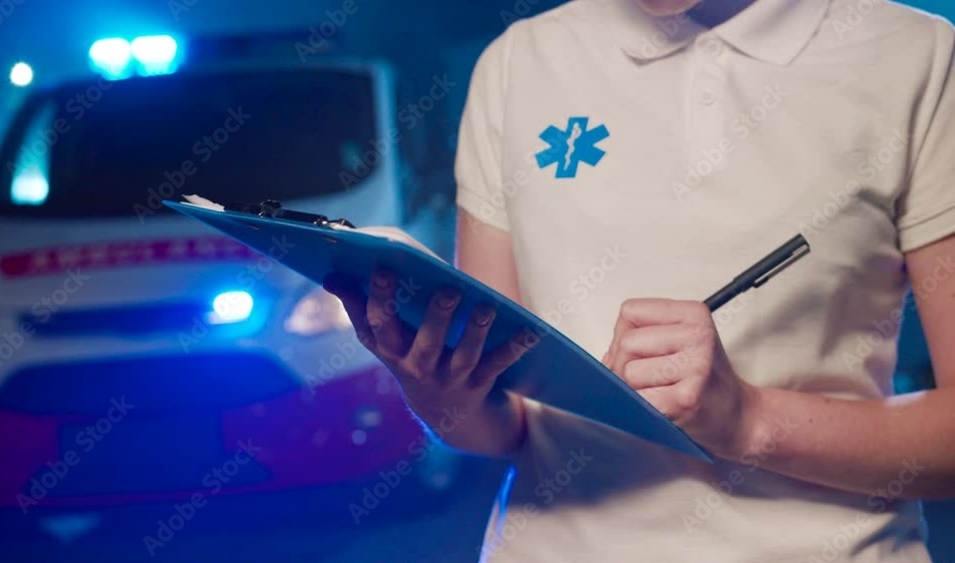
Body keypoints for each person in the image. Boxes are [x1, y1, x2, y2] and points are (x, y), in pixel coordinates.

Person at [323, 0, 955, 560]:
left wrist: (749, 421)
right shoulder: (518, 63)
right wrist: (440, 394)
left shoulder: (915, 56)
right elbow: (508, 423)